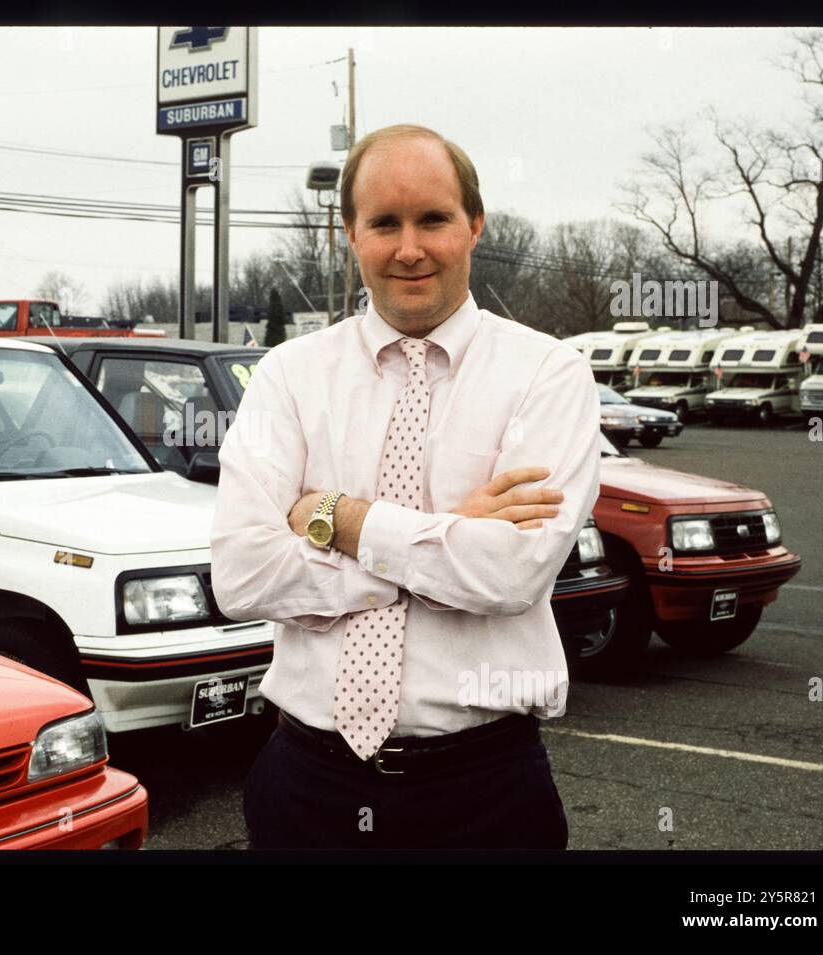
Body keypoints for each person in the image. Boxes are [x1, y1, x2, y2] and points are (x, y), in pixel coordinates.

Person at [210, 124, 601, 851]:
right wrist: (446, 533)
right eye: (384, 223)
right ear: (349, 233)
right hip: (305, 789)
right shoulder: (289, 377)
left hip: (485, 796)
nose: (410, 247)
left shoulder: (549, 374)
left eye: (433, 219)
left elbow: (512, 571)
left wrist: (338, 516)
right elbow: (239, 574)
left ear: (474, 225)